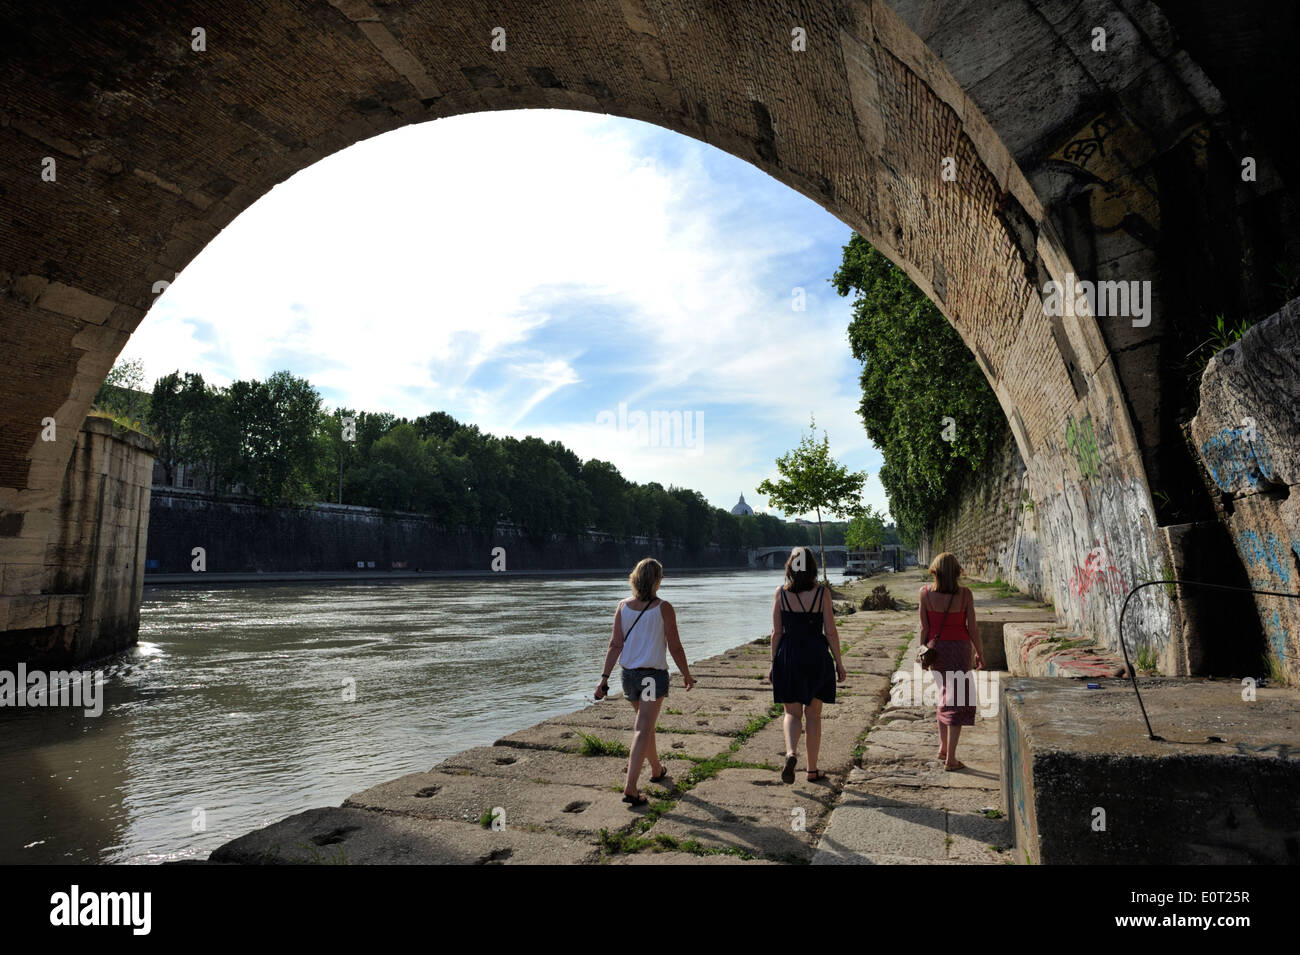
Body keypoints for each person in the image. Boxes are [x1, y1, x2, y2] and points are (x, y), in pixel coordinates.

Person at [595, 558, 695, 806]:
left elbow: (615, 645)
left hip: (628, 676)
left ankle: (657, 770)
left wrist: (604, 679)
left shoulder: (622, 606)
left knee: (645, 725)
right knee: (642, 728)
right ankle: (630, 787)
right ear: (657, 581)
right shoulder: (664, 608)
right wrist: (686, 674)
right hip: (651, 676)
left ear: (635, 579)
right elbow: (675, 646)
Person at [768, 547, 847, 784]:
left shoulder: (780, 594)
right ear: (812, 566)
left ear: (791, 566)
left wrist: (774, 664)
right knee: (813, 715)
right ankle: (812, 770)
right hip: (815, 655)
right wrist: (839, 663)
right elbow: (830, 631)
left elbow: (776, 633)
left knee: (792, 713)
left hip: (788, 655)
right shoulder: (822, 593)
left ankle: (791, 753)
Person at [918, 552, 985, 771]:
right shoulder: (965, 595)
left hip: (936, 651)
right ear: (957, 572)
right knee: (957, 701)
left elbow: (924, 628)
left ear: (934, 572)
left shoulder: (925, 594)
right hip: (960, 649)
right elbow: (972, 627)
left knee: (944, 695)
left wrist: (922, 653)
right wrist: (980, 653)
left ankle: (943, 747)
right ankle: (951, 759)